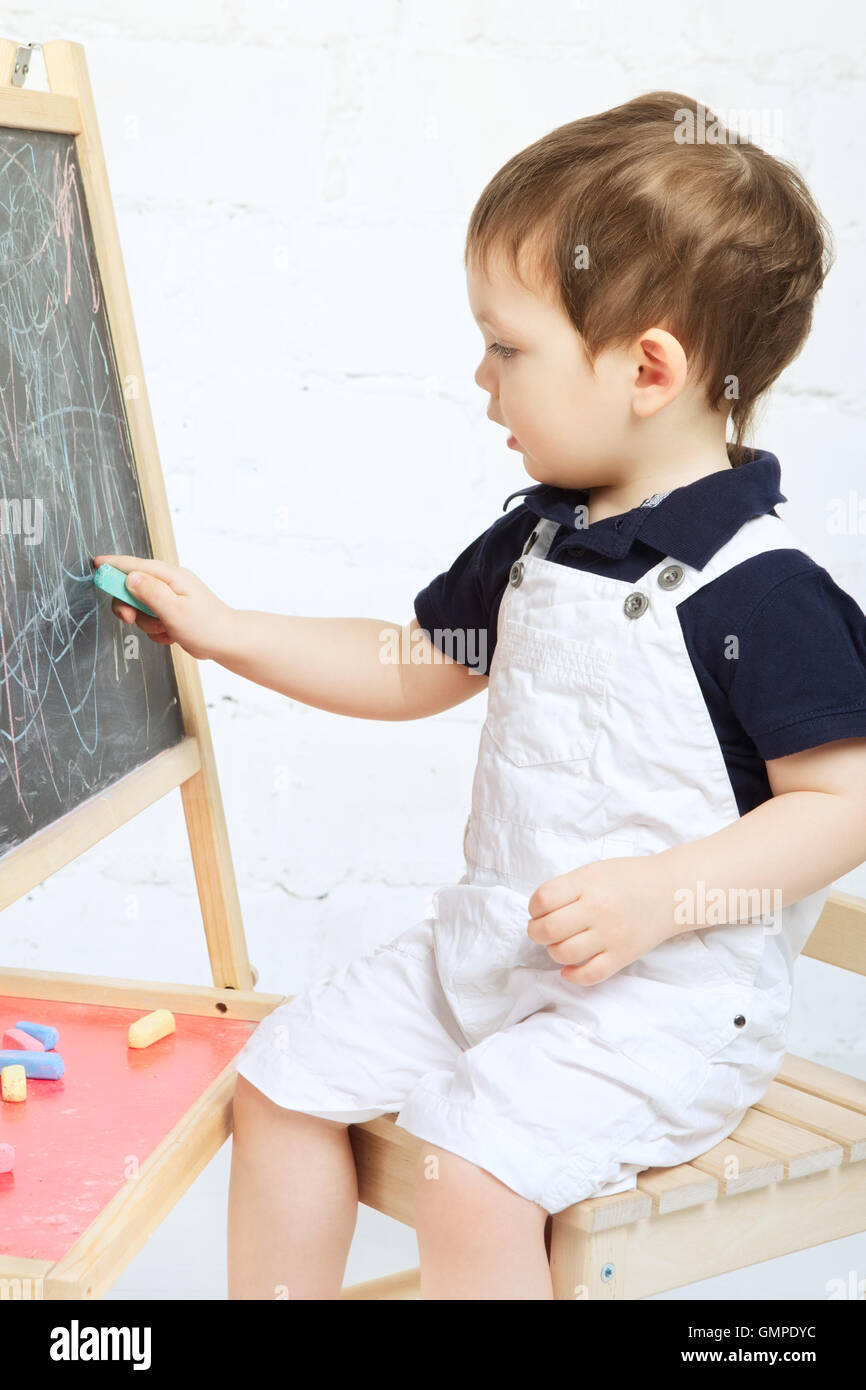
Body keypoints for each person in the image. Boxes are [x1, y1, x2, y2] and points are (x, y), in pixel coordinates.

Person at [94, 91, 866, 1300]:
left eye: (507, 346)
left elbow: (840, 804)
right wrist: (224, 632)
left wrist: (660, 896)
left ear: (647, 367)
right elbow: (413, 664)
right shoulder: (539, 540)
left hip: (659, 1010)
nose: (480, 377)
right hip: (492, 960)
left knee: (465, 1167)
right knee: (281, 1078)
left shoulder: (758, 592)